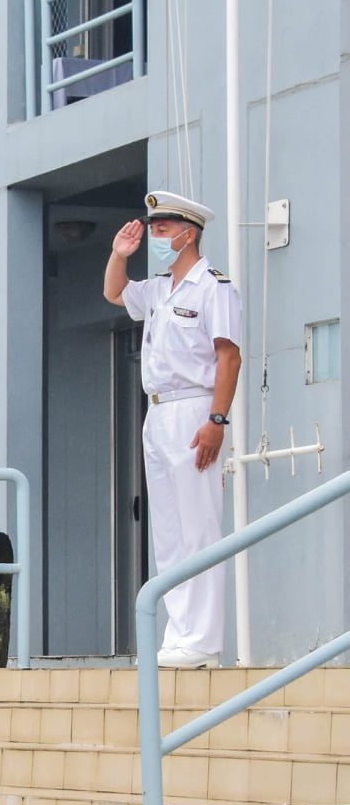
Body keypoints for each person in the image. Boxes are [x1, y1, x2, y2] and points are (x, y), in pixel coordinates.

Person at [105, 190, 242, 668]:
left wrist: (217, 421)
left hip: (195, 409)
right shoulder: (160, 288)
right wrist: (118, 255)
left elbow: (229, 355)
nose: (156, 236)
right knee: (167, 529)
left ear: (189, 233)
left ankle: (203, 641)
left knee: (199, 524)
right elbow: (115, 292)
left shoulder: (213, 287)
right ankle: (180, 635)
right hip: (158, 411)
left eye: (163, 229)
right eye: (154, 228)